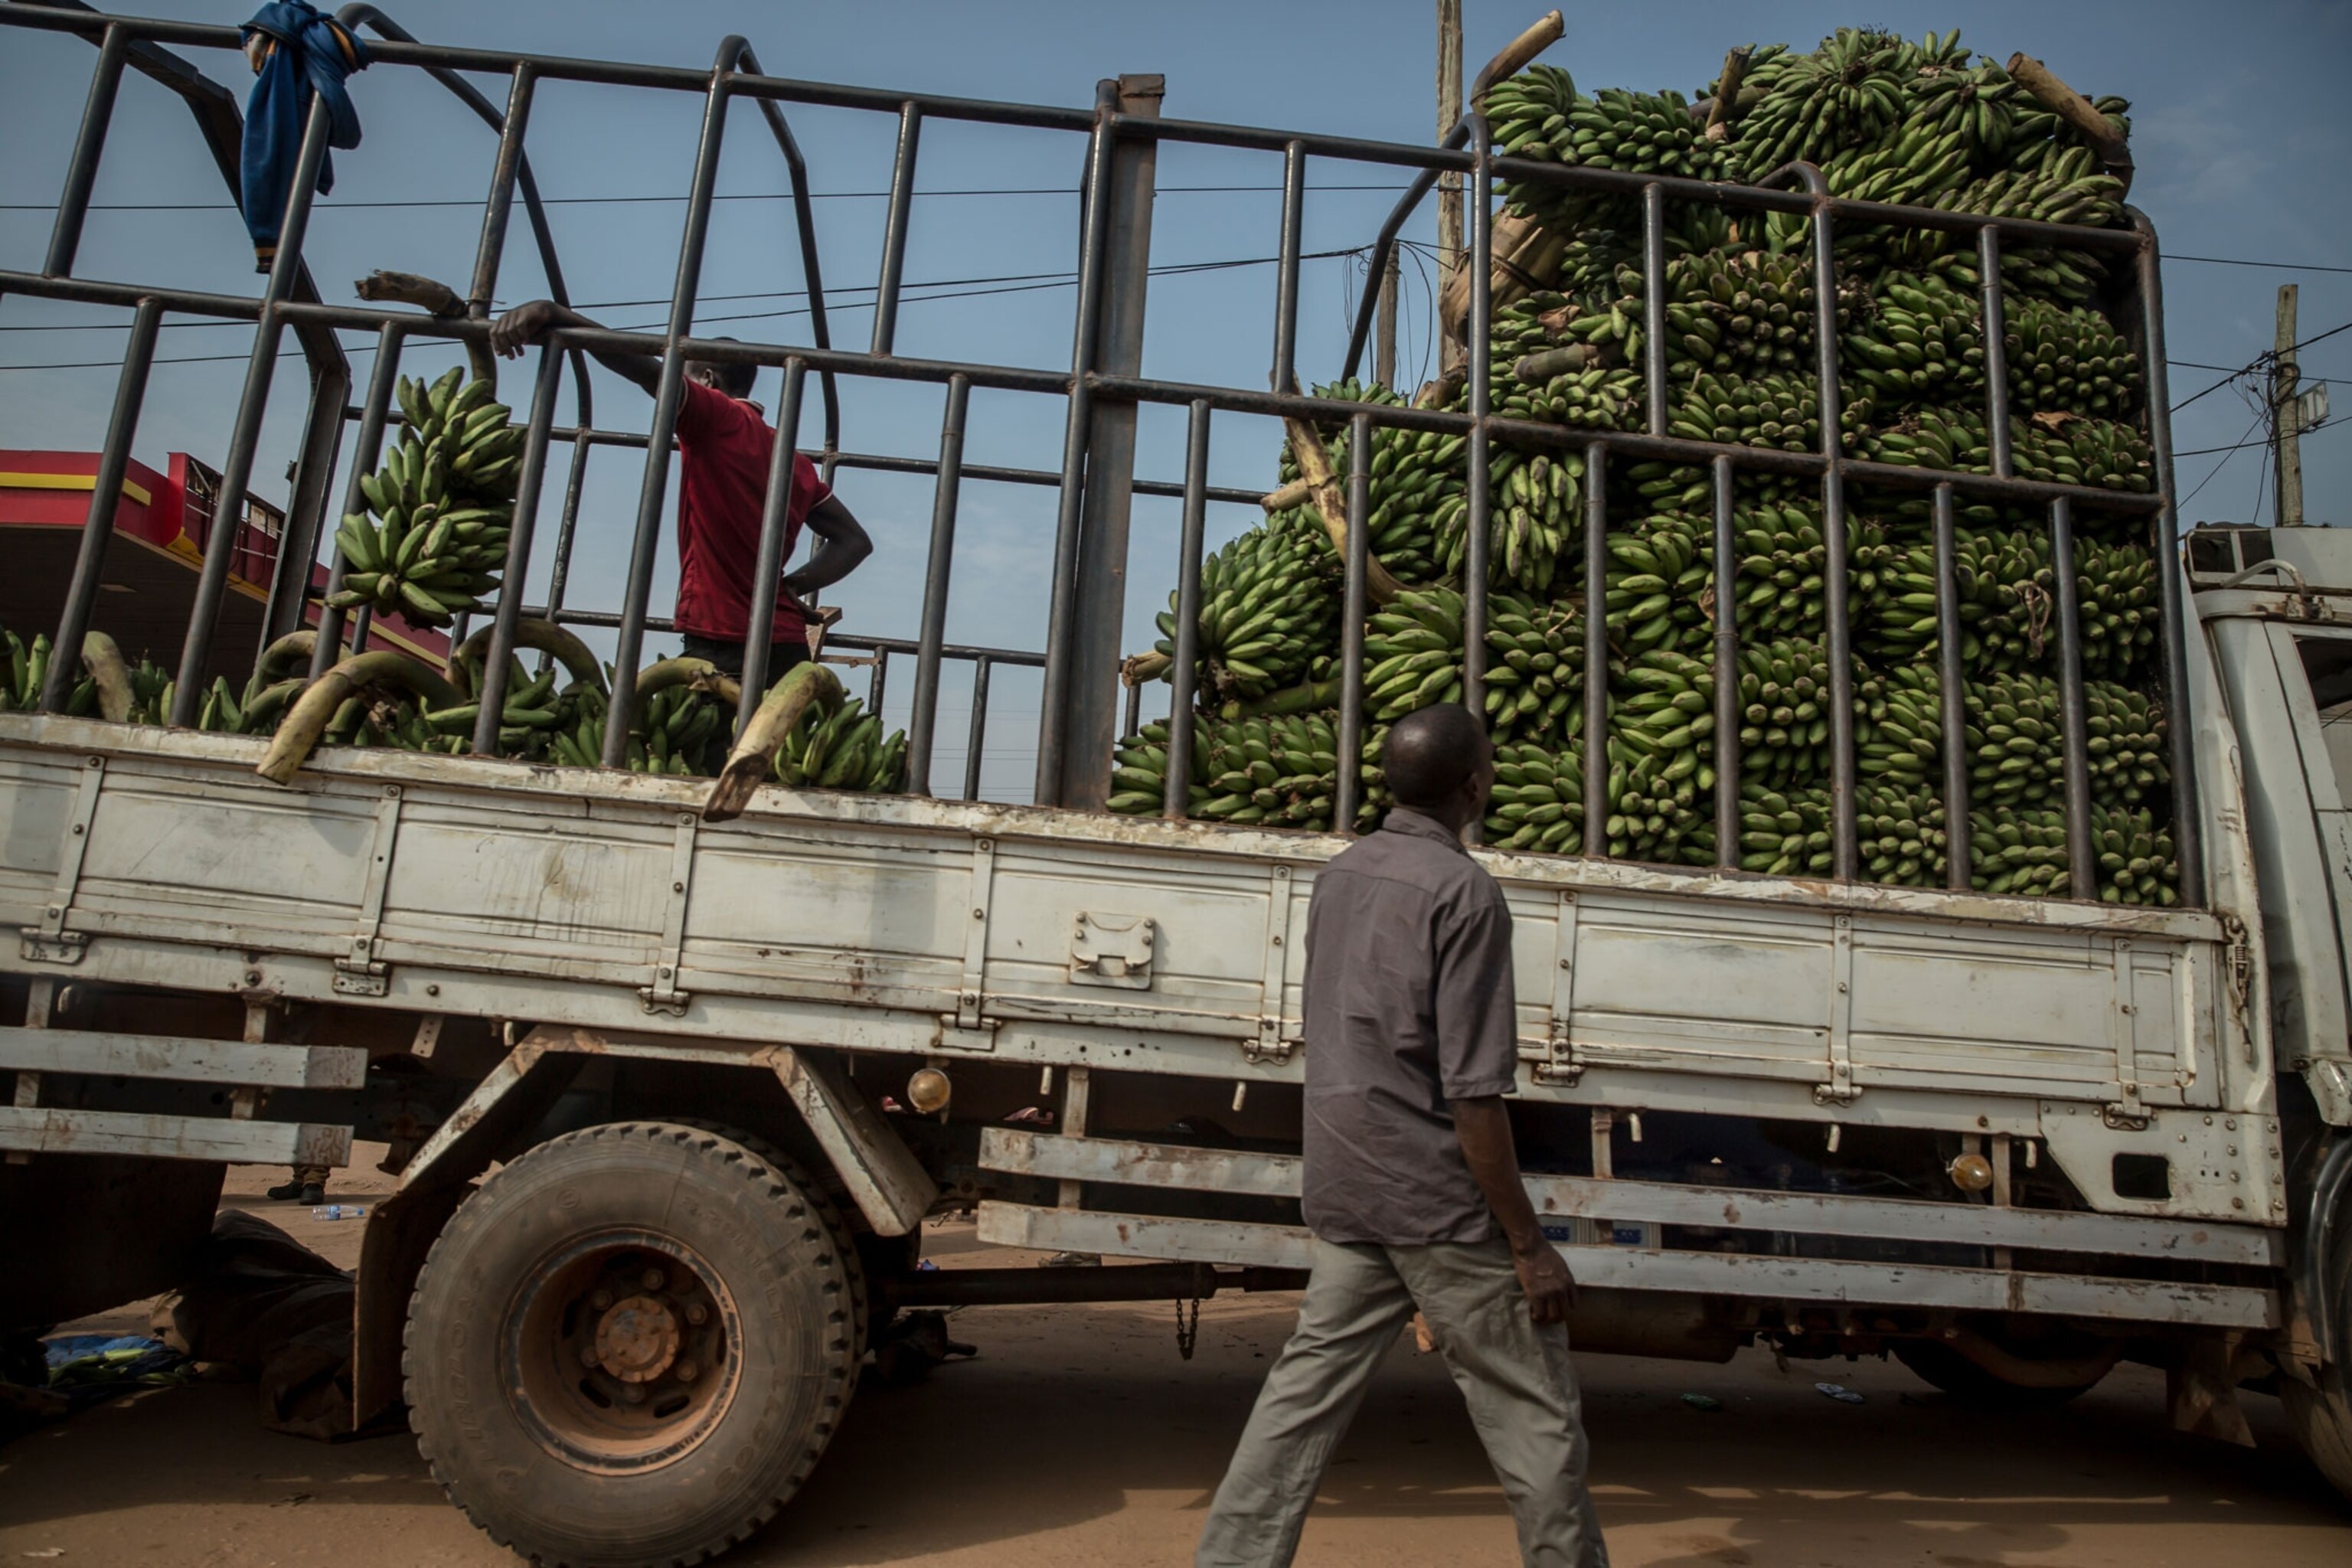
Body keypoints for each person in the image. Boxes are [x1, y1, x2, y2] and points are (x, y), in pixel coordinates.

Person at [1195, 703, 1608, 1568]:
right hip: (1437, 1202)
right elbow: (1473, 1092)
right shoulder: (1466, 894)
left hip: (1348, 1184)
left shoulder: (1342, 873)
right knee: (1533, 1411)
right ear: (1474, 786)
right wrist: (1528, 1243)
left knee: (1298, 1400)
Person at [487, 302, 872, 679]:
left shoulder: (716, 416)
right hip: (785, 644)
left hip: (725, 638)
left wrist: (557, 315)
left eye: (688, 377)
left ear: (706, 379)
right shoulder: (793, 458)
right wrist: (791, 585)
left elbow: (645, 370)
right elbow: (854, 541)